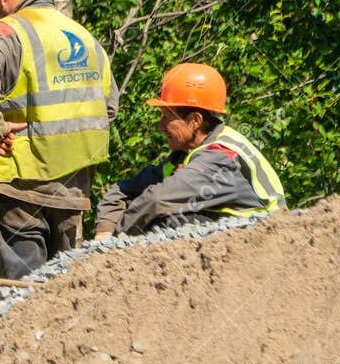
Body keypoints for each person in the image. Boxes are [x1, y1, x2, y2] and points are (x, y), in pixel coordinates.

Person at [0, 0, 119, 279]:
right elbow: (108, 107)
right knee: (62, 291)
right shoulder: (82, 35)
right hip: (74, 188)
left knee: (22, 298)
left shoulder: (9, 32)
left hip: (21, 182)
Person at [92, 63, 285, 239]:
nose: (160, 126)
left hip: (262, 238)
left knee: (167, 224)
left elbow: (156, 200)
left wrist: (113, 244)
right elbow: (126, 189)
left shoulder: (220, 157)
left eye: (167, 117)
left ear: (195, 121)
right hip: (233, 232)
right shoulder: (187, 152)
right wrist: (104, 229)